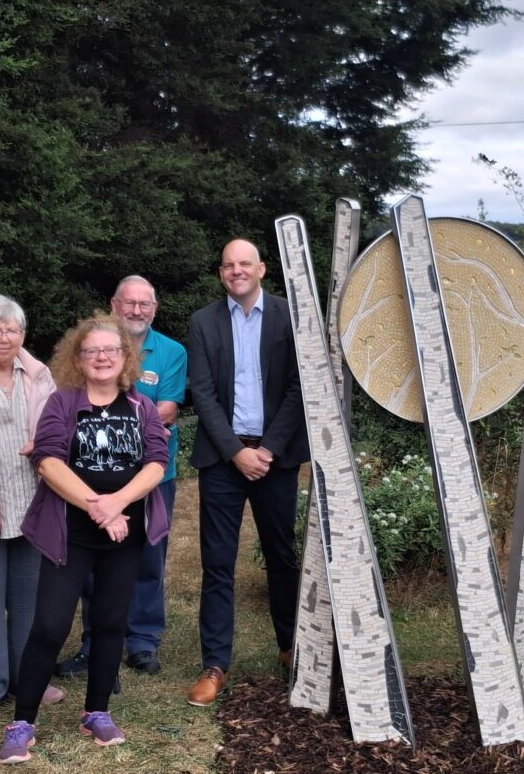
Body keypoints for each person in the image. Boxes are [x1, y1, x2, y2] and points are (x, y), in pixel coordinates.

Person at [0, 315, 169, 761]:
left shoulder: (141, 407)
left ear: (125, 358)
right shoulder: (62, 402)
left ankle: (97, 710)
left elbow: (156, 461)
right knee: (50, 626)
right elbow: (48, 460)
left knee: (111, 623)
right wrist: (99, 505)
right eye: (92, 350)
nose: (101, 357)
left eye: (110, 350)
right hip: (70, 534)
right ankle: (22, 722)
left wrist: (118, 505)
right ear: (77, 358)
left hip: (123, 536)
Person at [185, 238, 309, 706]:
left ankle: (291, 647)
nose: (236, 271)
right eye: (228, 265)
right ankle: (214, 664)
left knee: (282, 556)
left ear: (261, 269)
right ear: (221, 274)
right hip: (223, 459)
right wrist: (237, 451)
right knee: (218, 562)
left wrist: (270, 449)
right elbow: (203, 393)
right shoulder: (203, 323)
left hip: (276, 458)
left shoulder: (288, 317)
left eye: (244, 264)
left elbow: (301, 386)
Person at [57, 275, 187, 677]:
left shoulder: (171, 351)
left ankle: (143, 642)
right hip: (95, 477)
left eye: (144, 305)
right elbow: (75, 400)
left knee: (149, 557)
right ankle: (94, 644)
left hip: (152, 476)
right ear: (114, 305)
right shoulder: (93, 346)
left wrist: (112, 413)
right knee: (94, 561)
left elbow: (166, 410)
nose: (136, 311)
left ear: (154, 309)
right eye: (129, 303)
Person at [0, 295, 63, 718]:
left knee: (30, 601)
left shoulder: (40, 375)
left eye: (13, 330)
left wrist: (47, 444)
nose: (5, 337)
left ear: (23, 334)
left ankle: (28, 678)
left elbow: (60, 428)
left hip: (33, 505)